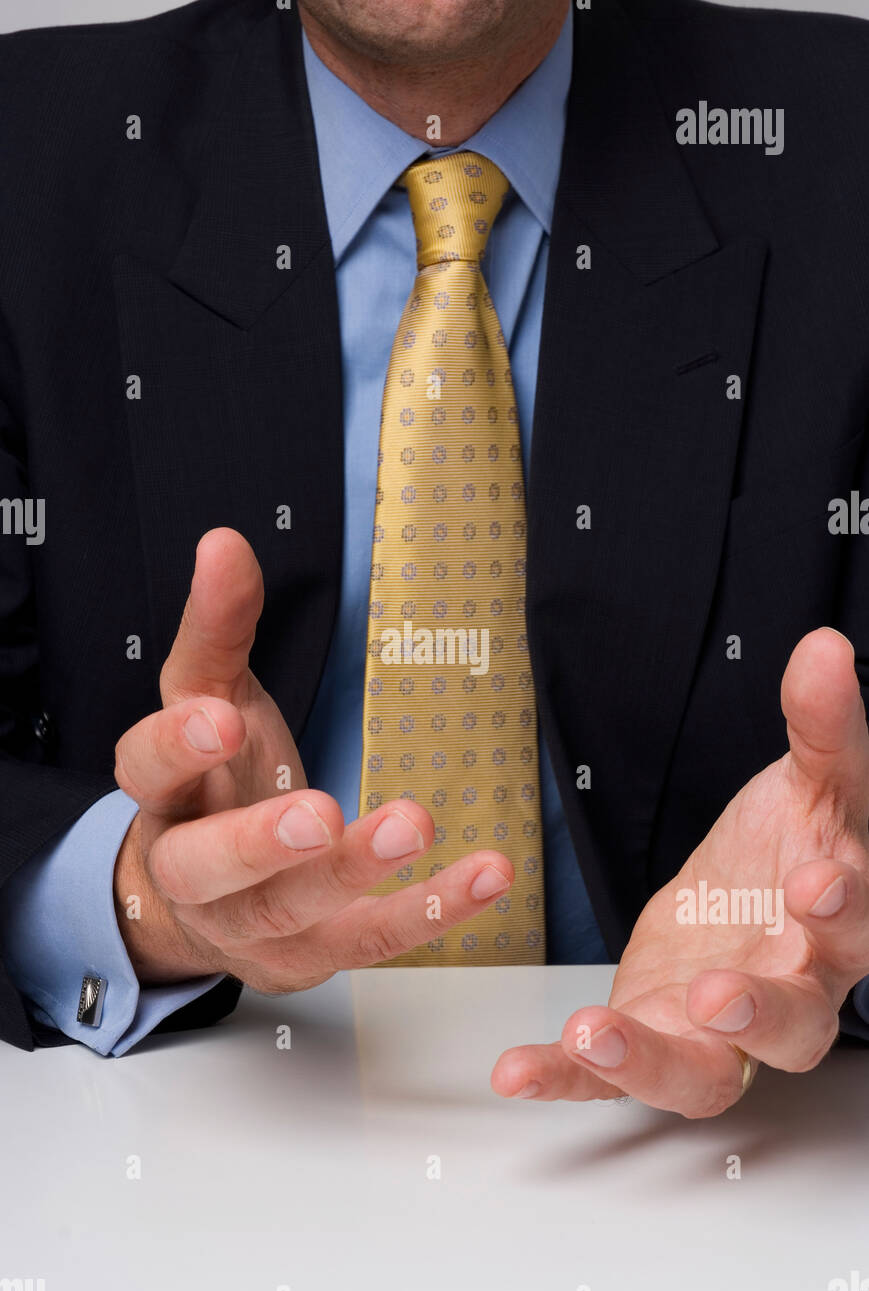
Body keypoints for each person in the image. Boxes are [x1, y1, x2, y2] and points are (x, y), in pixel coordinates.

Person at [1, 0, 869, 1119]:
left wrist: (838, 908)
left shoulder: (839, 139)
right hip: (158, 1160)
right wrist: (140, 901)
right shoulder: (26, 152)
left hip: (723, 1175)